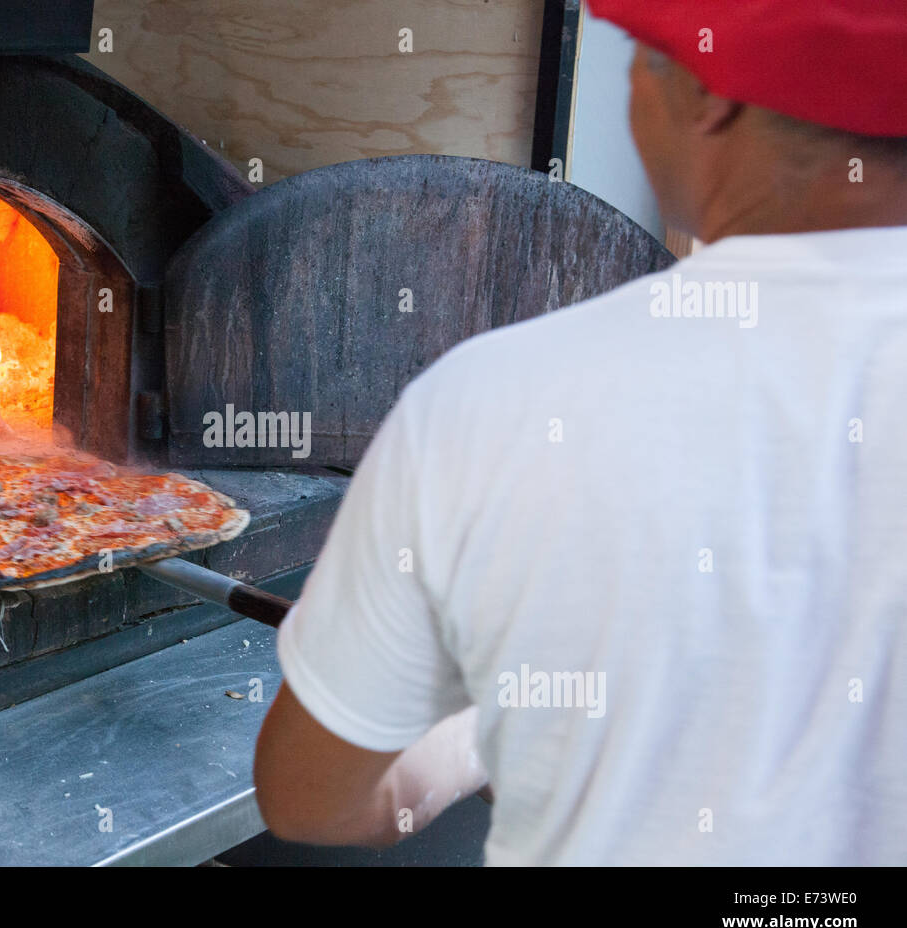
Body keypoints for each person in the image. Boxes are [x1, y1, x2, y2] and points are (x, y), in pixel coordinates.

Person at [253, 0, 907, 865]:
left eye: (641, 52)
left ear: (713, 94)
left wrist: (483, 731)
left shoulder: (495, 401)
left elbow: (310, 799)